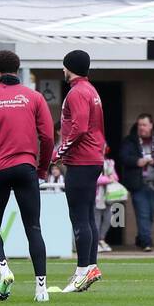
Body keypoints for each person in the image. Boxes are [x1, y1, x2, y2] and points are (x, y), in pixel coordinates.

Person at [0, 50, 53, 302]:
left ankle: (4, 269)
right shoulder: (34, 97)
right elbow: (48, 137)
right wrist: (42, 167)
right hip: (26, 167)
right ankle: (41, 288)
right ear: (17, 70)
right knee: (34, 228)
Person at [53, 49, 107, 292]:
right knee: (87, 217)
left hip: (81, 160)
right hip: (92, 158)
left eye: (64, 67)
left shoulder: (76, 92)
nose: (62, 71)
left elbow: (80, 126)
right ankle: (88, 267)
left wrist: (59, 151)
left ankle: (83, 270)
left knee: (79, 217)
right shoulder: (91, 90)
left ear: (69, 67)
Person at [118, 113, 154, 251]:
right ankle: (146, 243)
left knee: (151, 214)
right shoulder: (130, 140)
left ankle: (141, 238)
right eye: (139, 125)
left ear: (151, 125)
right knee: (143, 213)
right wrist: (136, 161)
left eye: (144, 125)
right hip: (138, 184)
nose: (141, 128)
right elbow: (123, 156)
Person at [94, 151, 118, 254]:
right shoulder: (94, 162)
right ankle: (95, 243)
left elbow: (116, 178)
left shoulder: (109, 162)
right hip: (96, 196)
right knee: (96, 220)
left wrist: (110, 179)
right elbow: (96, 179)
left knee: (108, 218)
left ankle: (101, 239)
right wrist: (108, 179)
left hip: (108, 196)